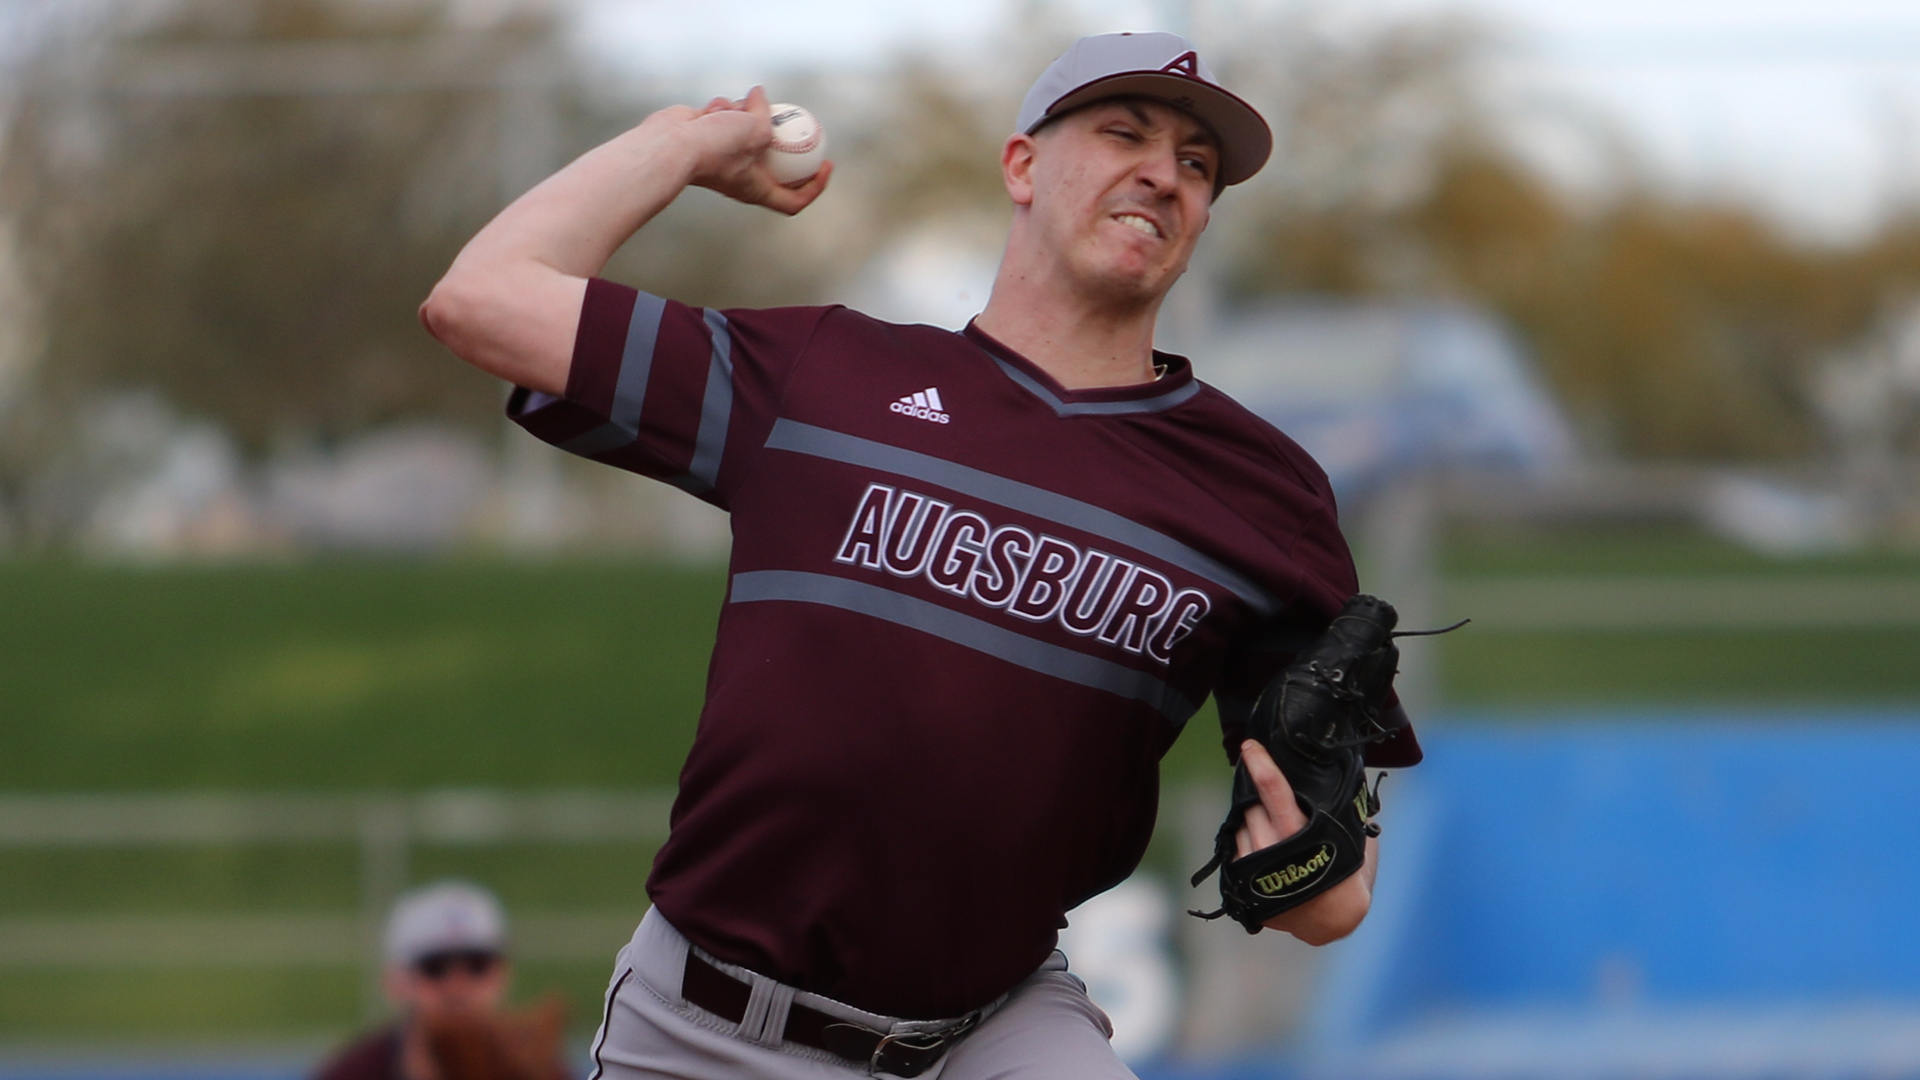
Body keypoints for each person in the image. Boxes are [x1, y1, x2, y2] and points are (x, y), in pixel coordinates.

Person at [420, 30, 1421, 1080]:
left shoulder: (1259, 492)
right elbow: (478, 297)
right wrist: (677, 147)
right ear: (1022, 167)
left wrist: (1314, 876)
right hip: (710, 1033)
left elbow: (1333, 893)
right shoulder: (822, 378)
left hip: (995, 1031)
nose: (1162, 173)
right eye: (1124, 133)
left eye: (1197, 164)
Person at [313, 881, 563, 1080]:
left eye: (478, 965)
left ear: (504, 974)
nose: (458, 986)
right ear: (394, 981)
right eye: (435, 968)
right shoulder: (353, 1073)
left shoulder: (539, 1071)